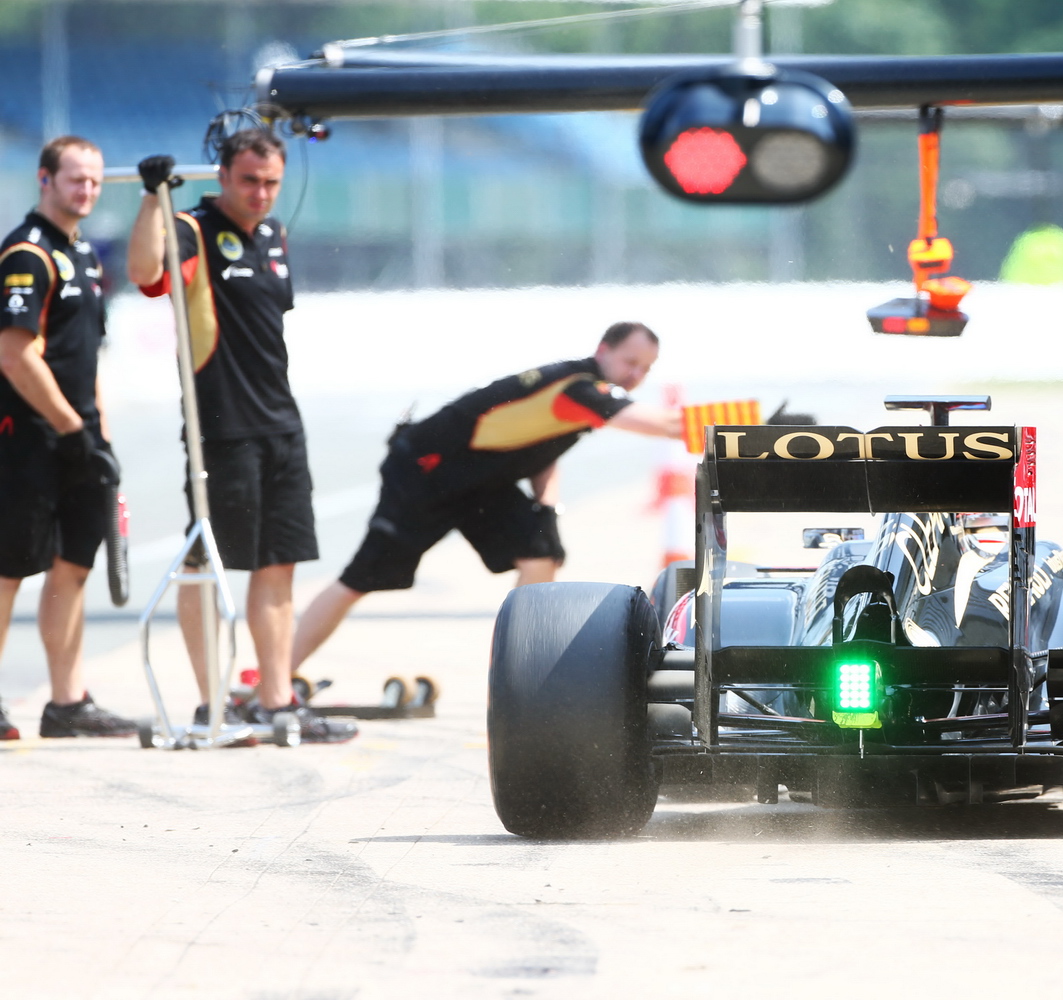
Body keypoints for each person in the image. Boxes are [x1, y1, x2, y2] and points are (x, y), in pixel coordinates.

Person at [125, 131, 354, 742]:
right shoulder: (190, 229)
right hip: (221, 430)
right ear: (222, 176)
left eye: (271, 182)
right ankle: (212, 703)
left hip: (282, 424)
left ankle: (275, 700)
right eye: (249, 180)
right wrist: (153, 198)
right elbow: (145, 273)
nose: (261, 194)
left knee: (278, 566)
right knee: (210, 565)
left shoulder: (274, 235)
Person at [290, 322, 682, 672]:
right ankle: (276, 677)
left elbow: (544, 449)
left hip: (482, 484)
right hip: (424, 475)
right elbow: (663, 424)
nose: (636, 375)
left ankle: (519, 672)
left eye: (646, 368)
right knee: (359, 579)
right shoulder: (579, 387)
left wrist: (546, 508)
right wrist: (738, 421)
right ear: (603, 351)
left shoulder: (585, 393)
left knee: (542, 553)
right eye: (630, 361)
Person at [0, 136, 137, 740]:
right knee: (7, 571)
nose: (85, 190)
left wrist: (100, 439)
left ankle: (67, 702)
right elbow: (14, 356)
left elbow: (89, 360)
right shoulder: (27, 254)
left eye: (94, 182)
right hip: (28, 436)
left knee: (73, 567)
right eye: (74, 179)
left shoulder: (83, 253)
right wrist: (69, 427)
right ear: (45, 179)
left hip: (79, 438)